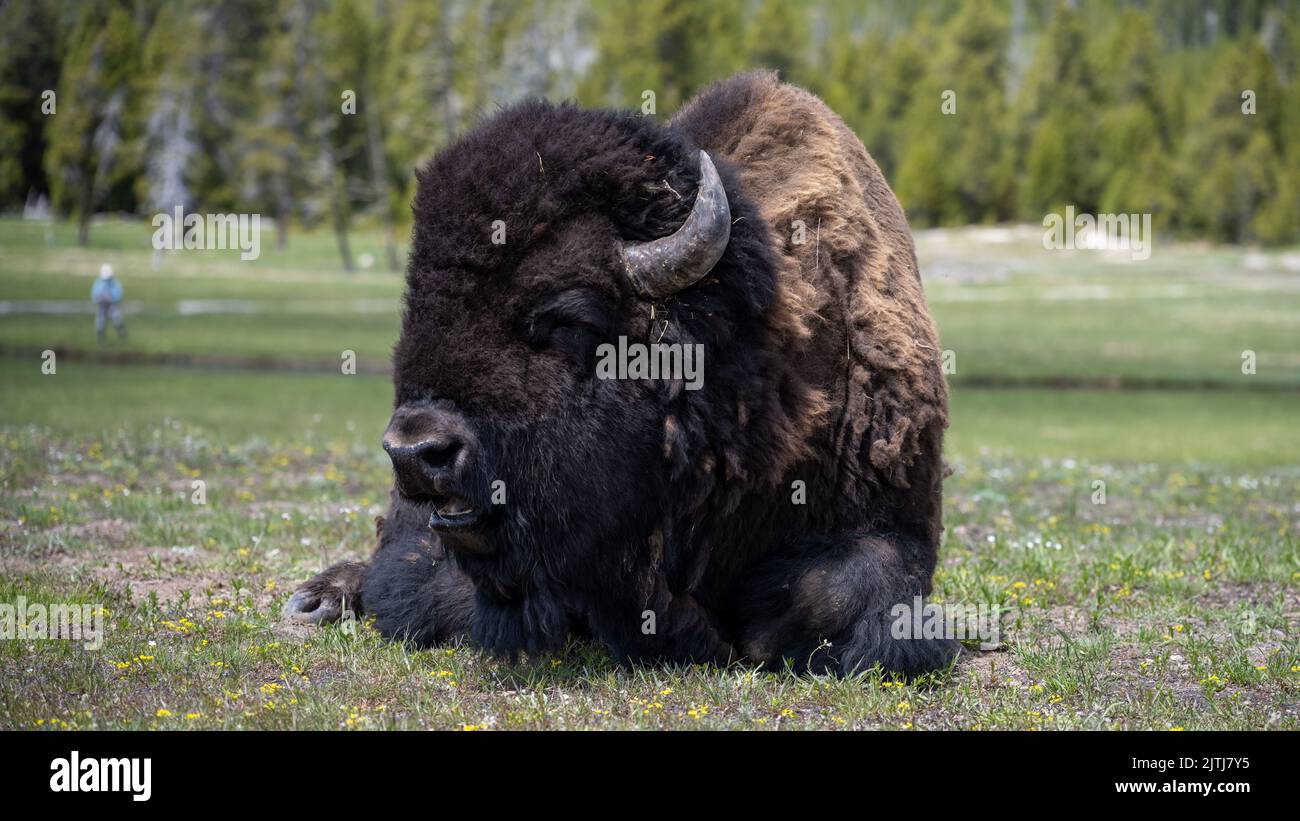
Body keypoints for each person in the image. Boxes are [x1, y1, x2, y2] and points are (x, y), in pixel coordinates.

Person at [91, 263, 126, 343]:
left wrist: (111, 298)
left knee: (117, 321)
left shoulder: (115, 283)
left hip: (112, 306)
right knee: (100, 324)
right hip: (102, 306)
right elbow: (94, 296)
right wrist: (100, 298)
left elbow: (119, 295)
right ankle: (101, 340)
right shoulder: (98, 282)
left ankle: (122, 337)